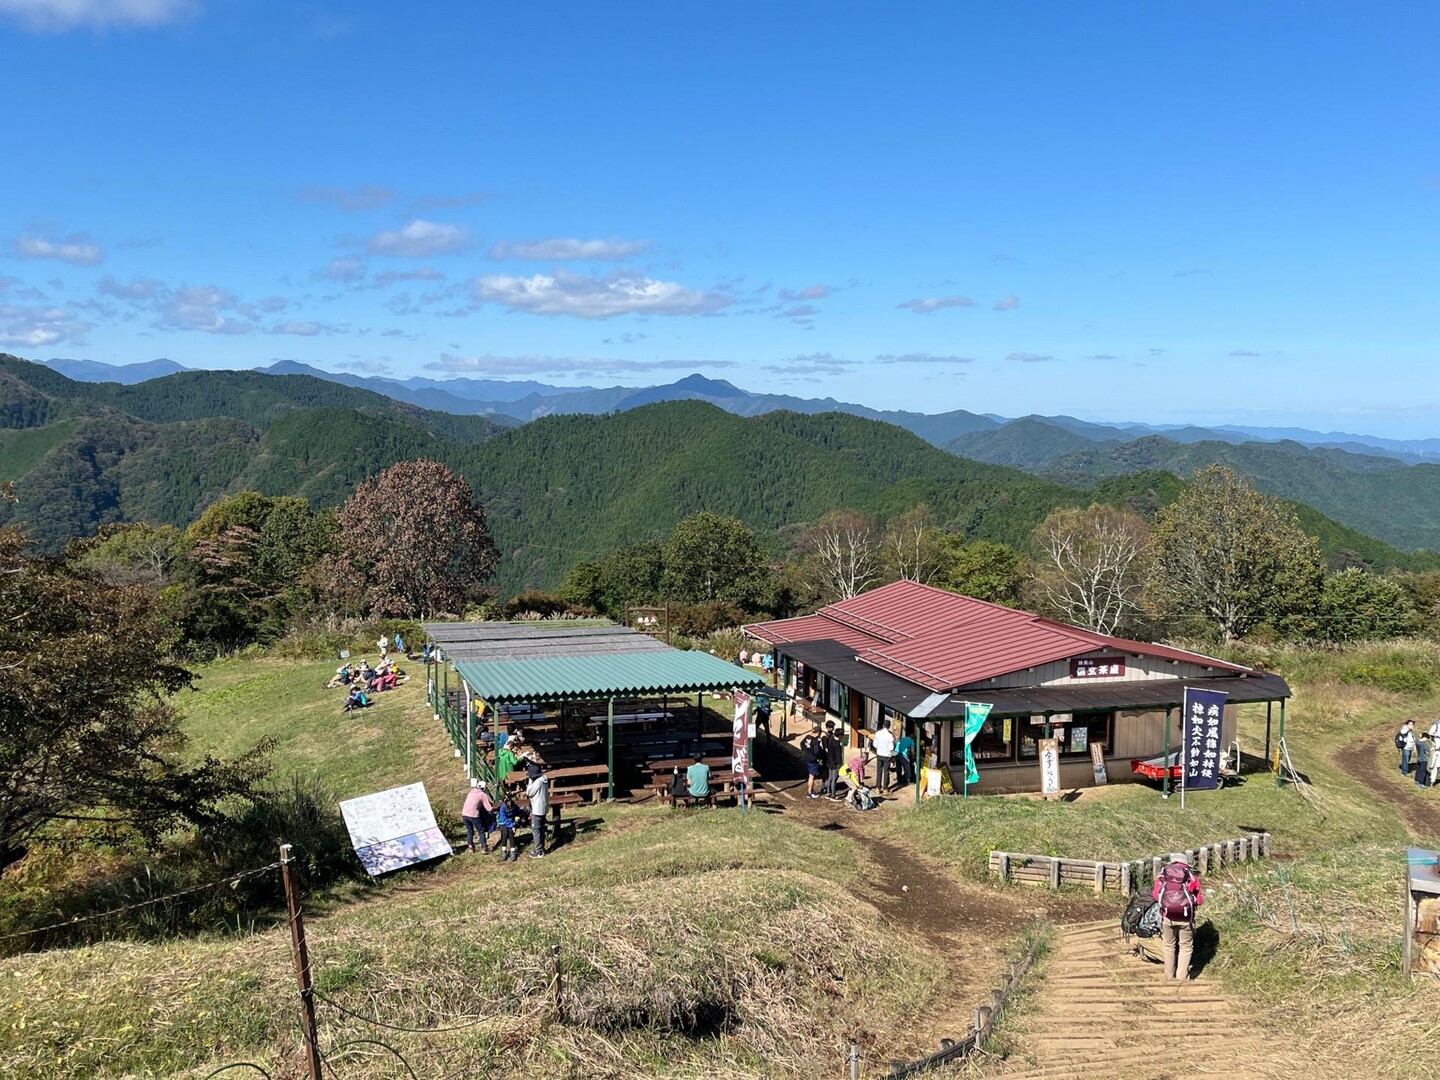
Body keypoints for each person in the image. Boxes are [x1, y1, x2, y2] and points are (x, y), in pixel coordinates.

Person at [1152, 853, 1204, 980]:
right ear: (1186, 863)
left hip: (1167, 916)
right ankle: (1182, 977)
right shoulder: (1191, 876)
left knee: (1169, 946)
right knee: (1185, 947)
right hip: (1186, 918)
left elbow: (1155, 896)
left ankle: (1169, 976)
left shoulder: (1163, 875)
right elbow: (1199, 900)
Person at [461, 778, 493, 854]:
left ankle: (471, 847)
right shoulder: (482, 794)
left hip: (464, 813)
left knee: (470, 831)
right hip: (473, 815)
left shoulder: (471, 792)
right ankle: (483, 848)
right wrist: (492, 812)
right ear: (484, 788)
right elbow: (488, 807)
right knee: (481, 831)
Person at [525, 762, 550, 858]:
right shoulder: (544, 779)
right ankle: (541, 848)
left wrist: (530, 781)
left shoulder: (538, 782)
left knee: (536, 830)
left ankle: (538, 851)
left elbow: (529, 792)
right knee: (541, 829)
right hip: (543, 807)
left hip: (537, 809)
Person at [800, 722, 826, 799]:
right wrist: (818, 758)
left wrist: (805, 751)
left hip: (806, 758)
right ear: (818, 733)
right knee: (812, 776)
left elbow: (801, 744)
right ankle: (809, 792)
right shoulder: (815, 741)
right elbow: (816, 751)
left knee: (810, 775)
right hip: (812, 759)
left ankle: (811, 790)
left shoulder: (807, 737)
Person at [495, 793, 521, 862]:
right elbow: (503, 819)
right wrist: (512, 826)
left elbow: (517, 813)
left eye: (510, 808)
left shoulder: (515, 807)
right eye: (508, 808)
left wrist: (515, 822)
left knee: (511, 833)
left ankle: (513, 850)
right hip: (503, 822)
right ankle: (504, 851)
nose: (509, 810)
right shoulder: (502, 808)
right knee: (505, 833)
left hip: (511, 821)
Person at [872, 719, 896, 792]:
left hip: (879, 754)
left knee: (879, 771)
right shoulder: (890, 736)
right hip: (887, 755)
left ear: (883, 725)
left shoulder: (878, 733)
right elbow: (891, 748)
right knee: (886, 771)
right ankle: (885, 788)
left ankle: (878, 787)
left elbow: (875, 744)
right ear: (889, 726)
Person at [822, 721, 844, 800]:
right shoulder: (837, 745)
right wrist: (840, 765)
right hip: (834, 763)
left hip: (829, 761)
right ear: (840, 736)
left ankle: (828, 792)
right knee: (834, 779)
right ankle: (833, 794)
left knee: (830, 778)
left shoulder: (830, 739)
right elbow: (838, 756)